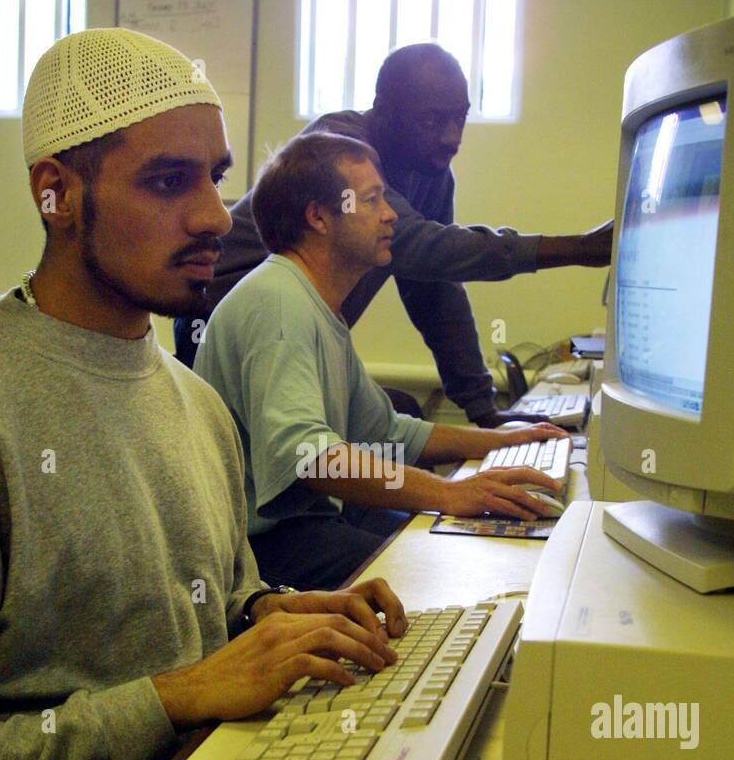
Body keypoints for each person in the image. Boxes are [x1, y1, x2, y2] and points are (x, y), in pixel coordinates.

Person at [0, 28, 406, 760]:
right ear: (57, 193)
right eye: (169, 182)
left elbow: (211, 601)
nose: (213, 215)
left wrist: (278, 614)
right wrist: (178, 696)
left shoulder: (195, 403)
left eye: (216, 176)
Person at [194, 131, 568, 590]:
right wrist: (449, 493)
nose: (390, 214)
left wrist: (498, 443)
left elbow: (387, 433)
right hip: (261, 549)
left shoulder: (312, 303)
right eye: (371, 200)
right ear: (319, 217)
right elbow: (310, 456)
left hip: (299, 526)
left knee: (449, 543)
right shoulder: (279, 303)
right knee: (445, 563)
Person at [175, 42, 612, 426]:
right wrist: (578, 248)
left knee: (400, 421)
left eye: (460, 118)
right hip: (229, 335)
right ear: (383, 111)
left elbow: (434, 287)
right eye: (433, 121)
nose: (451, 137)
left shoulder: (431, 173)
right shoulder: (338, 151)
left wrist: (482, 410)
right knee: (329, 456)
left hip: (308, 344)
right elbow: (422, 246)